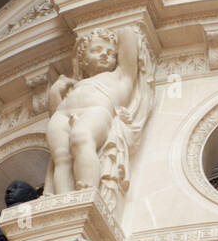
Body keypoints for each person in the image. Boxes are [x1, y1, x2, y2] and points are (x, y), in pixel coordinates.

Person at [44, 26, 144, 199]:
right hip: (62, 115)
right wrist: (54, 93)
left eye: (111, 53)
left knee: (81, 138)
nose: (105, 54)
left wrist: (123, 17)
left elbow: (127, 36)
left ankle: (87, 190)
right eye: (97, 50)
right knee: (60, 157)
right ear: (82, 60)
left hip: (96, 111)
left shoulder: (121, 77)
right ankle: (63, 199)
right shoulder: (74, 85)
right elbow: (54, 113)